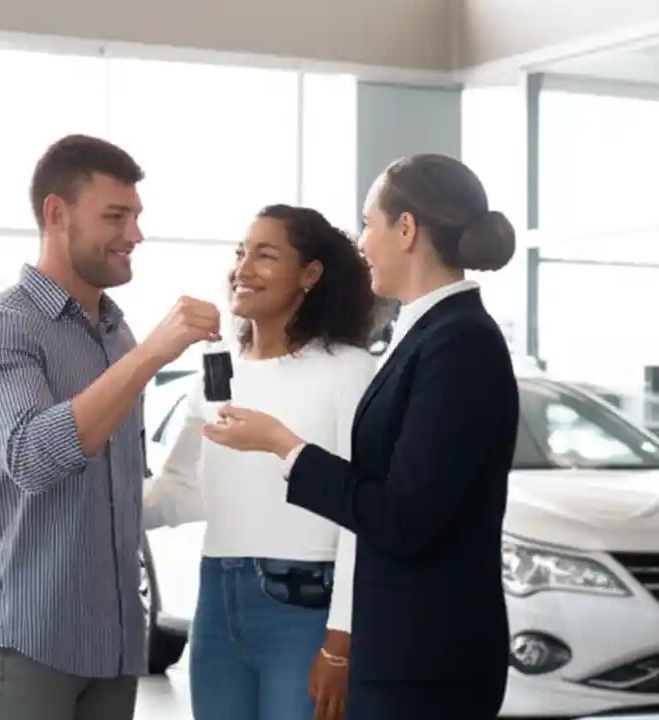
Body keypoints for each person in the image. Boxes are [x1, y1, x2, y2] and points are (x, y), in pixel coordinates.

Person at [203, 154, 519, 719]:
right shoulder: (423, 332)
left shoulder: (460, 343)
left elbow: (402, 515)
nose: (363, 243)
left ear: (406, 230)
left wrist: (286, 447)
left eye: (369, 225)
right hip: (404, 655)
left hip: (427, 665)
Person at [0, 134, 221, 720]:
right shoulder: (0, 329)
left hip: (113, 648)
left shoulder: (115, 336)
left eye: (137, 216)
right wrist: (150, 355)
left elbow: (116, 493)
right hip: (23, 644)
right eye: (115, 216)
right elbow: (30, 455)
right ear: (57, 214)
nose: (135, 235)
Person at [142, 204, 376, 720]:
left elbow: (362, 516)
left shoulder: (350, 369)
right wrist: (86, 509)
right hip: (216, 600)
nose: (242, 269)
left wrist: (341, 640)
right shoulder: (216, 369)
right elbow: (179, 488)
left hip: (307, 609)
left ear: (310, 274)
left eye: (265, 255)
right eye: (240, 252)